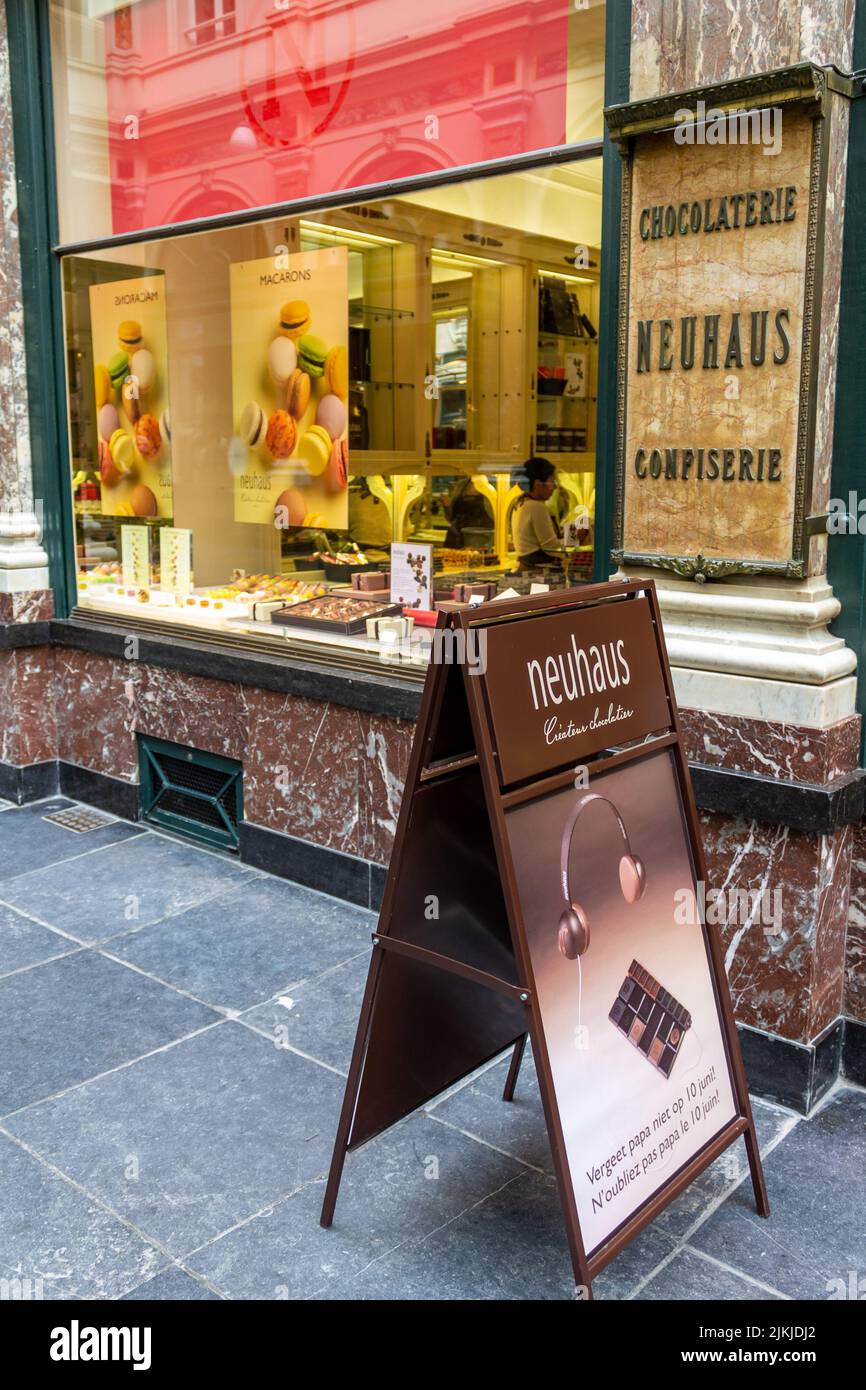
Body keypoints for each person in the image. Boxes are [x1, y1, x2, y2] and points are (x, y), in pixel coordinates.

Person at [511, 456, 561, 569]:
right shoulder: (537, 507)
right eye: (551, 481)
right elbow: (551, 546)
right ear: (538, 484)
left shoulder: (522, 502)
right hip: (537, 571)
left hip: (525, 568)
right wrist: (575, 542)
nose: (554, 487)